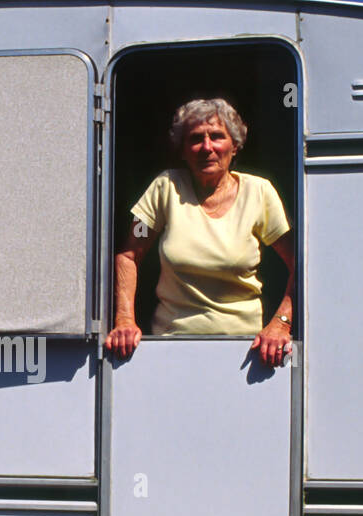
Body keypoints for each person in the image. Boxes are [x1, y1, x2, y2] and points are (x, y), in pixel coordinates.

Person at [104, 98, 295, 365]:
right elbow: (128, 255)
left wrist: (281, 323)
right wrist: (124, 319)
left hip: (245, 350)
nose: (207, 147)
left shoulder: (259, 192)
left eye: (217, 136)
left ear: (235, 145)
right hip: (171, 344)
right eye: (195, 139)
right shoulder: (165, 187)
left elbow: (300, 263)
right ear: (182, 150)